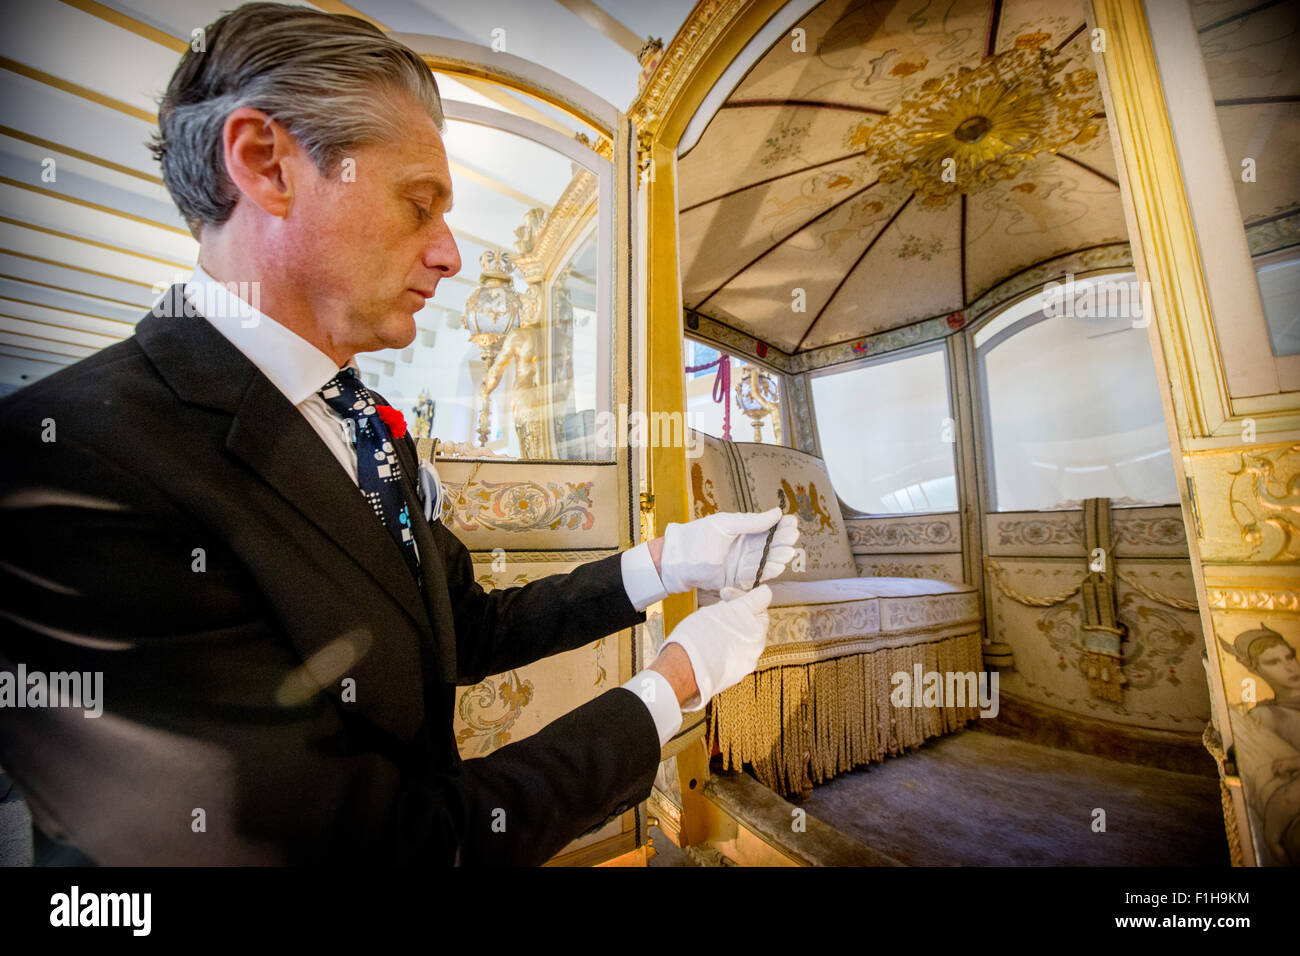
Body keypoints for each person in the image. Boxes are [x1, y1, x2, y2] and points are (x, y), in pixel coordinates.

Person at [0, 2, 798, 866]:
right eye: (420, 203)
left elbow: (465, 627)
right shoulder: (70, 462)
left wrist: (669, 561)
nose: (451, 254)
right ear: (268, 165)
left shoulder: (362, 423)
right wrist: (671, 688)